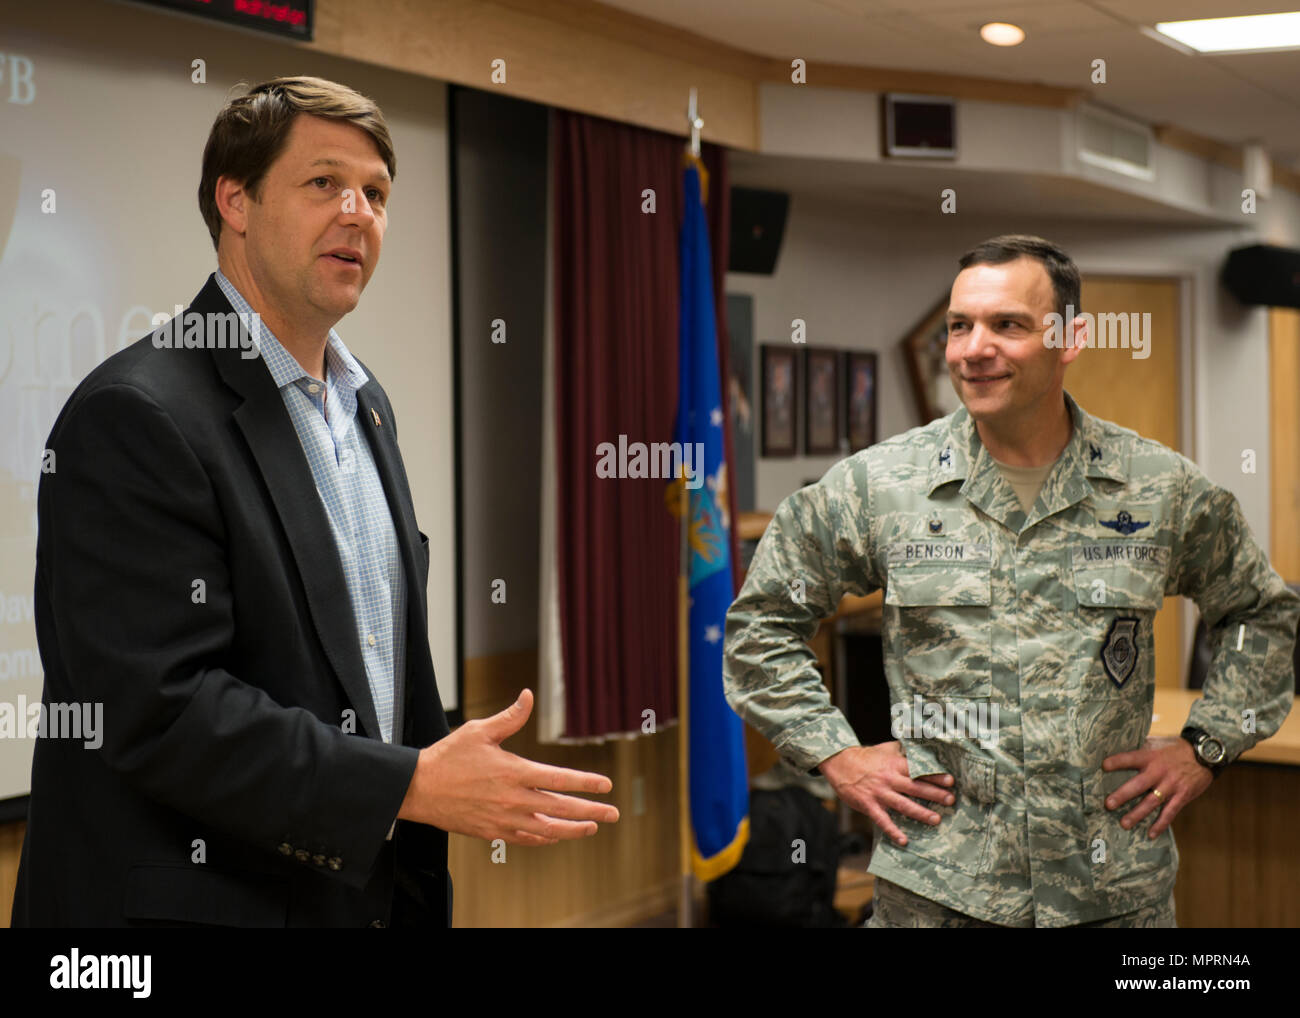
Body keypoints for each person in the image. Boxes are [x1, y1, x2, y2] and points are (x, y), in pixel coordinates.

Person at [11, 76, 618, 928]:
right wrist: (407, 785)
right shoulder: (138, 413)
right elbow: (161, 709)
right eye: (324, 182)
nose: (358, 212)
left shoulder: (366, 407)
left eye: (376, 193)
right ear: (237, 202)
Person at [723, 234, 1298, 928]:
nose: (973, 348)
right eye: (959, 325)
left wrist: (1207, 746)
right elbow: (760, 626)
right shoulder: (880, 487)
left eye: (1007, 325)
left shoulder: (1157, 489)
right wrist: (836, 753)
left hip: (1109, 892)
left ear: (1069, 338)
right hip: (939, 890)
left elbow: (1262, 615)